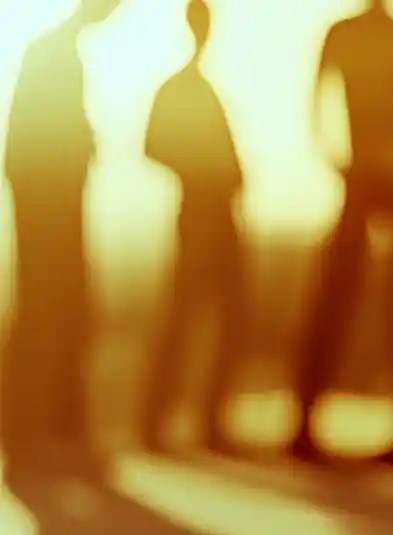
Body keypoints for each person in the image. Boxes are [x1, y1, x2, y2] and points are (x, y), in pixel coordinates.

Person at [289, 0, 393, 468]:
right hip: (364, 173)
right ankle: (304, 422)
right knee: (336, 292)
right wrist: (337, 162)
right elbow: (317, 104)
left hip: (392, 174)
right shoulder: (345, 34)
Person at [2, 0, 121, 472]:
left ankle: (57, 432)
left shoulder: (60, 53)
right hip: (48, 213)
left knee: (69, 313)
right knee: (44, 315)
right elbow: (25, 148)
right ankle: (29, 434)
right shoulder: (52, 54)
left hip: (57, 208)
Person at [140, 0, 247, 454]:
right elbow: (151, 147)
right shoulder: (179, 88)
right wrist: (198, 170)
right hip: (197, 216)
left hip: (222, 216)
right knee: (184, 318)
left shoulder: (202, 88)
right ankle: (154, 423)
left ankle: (209, 422)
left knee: (227, 319)